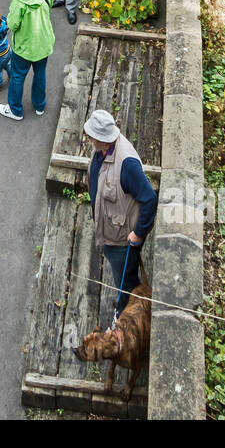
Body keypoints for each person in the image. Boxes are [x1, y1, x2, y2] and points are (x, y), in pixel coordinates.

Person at [83, 109, 156, 318]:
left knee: (126, 281)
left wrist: (139, 233)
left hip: (122, 240)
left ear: (103, 140)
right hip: (109, 230)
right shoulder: (102, 150)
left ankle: (125, 311)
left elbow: (150, 199)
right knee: (120, 274)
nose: (88, 139)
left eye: (91, 136)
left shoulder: (127, 164)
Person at [0, 0, 55, 121]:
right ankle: (39, 106)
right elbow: (49, 3)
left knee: (17, 75)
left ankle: (15, 110)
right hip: (43, 42)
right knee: (40, 73)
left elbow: (13, 25)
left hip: (24, 46)